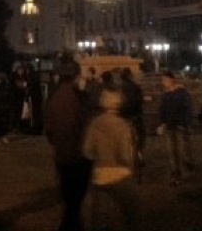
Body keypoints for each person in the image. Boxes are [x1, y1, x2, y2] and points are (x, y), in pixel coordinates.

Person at [43, 60, 91, 231]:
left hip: (61, 152)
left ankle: (71, 225)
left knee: (69, 197)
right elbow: (85, 123)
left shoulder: (54, 97)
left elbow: (48, 127)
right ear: (75, 77)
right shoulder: (78, 97)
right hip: (77, 153)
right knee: (75, 198)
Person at [83, 89, 140, 231]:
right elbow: (125, 154)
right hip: (120, 174)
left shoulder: (95, 124)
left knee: (99, 217)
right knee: (130, 213)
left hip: (100, 174)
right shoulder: (123, 125)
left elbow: (87, 151)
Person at [158, 70, 194, 186]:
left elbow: (187, 109)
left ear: (171, 80)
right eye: (162, 80)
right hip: (169, 126)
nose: (163, 82)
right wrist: (163, 123)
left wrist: (185, 123)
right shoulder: (165, 95)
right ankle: (175, 174)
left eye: (165, 80)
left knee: (183, 151)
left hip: (180, 125)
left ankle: (185, 171)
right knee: (172, 152)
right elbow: (162, 110)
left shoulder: (182, 93)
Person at [119, 68, 145, 154]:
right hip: (135, 117)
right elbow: (140, 101)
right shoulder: (136, 87)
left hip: (123, 117)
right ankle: (139, 153)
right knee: (138, 138)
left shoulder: (119, 88)